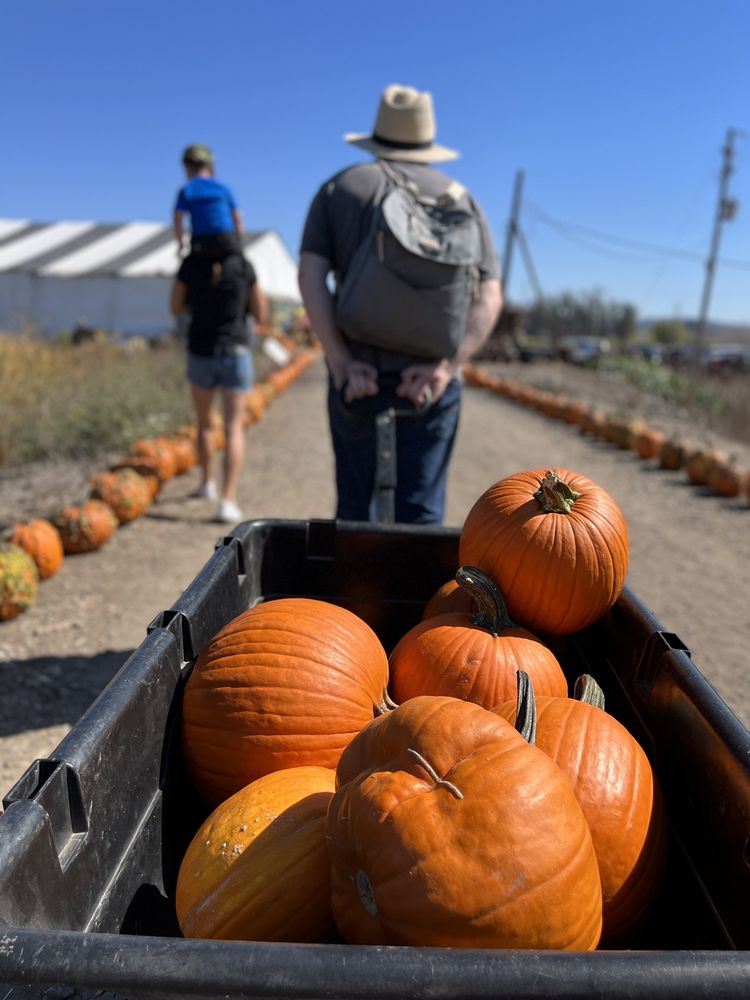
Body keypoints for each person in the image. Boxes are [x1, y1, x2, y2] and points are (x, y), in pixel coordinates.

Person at [298, 84, 503, 524]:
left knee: (354, 515)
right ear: (428, 140)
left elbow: (310, 277)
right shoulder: (462, 199)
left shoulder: (341, 188)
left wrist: (340, 361)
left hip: (358, 373)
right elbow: (490, 295)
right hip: (430, 379)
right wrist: (447, 366)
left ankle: (349, 594)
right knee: (422, 516)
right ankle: (422, 594)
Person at [170, 250, 268, 524]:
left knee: (203, 424)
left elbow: (175, 308)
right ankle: (228, 501)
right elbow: (261, 313)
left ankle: (206, 482)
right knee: (233, 426)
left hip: (200, 351)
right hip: (235, 351)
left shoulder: (190, 263)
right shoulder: (244, 264)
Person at [174, 144, 243, 261]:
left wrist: (181, 244)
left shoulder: (187, 189)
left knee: (184, 279)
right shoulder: (223, 188)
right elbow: (237, 217)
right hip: (226, 239)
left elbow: (178, 219)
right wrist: (238, 243)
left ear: (188, 166)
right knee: (243, 275)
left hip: (201, 242)